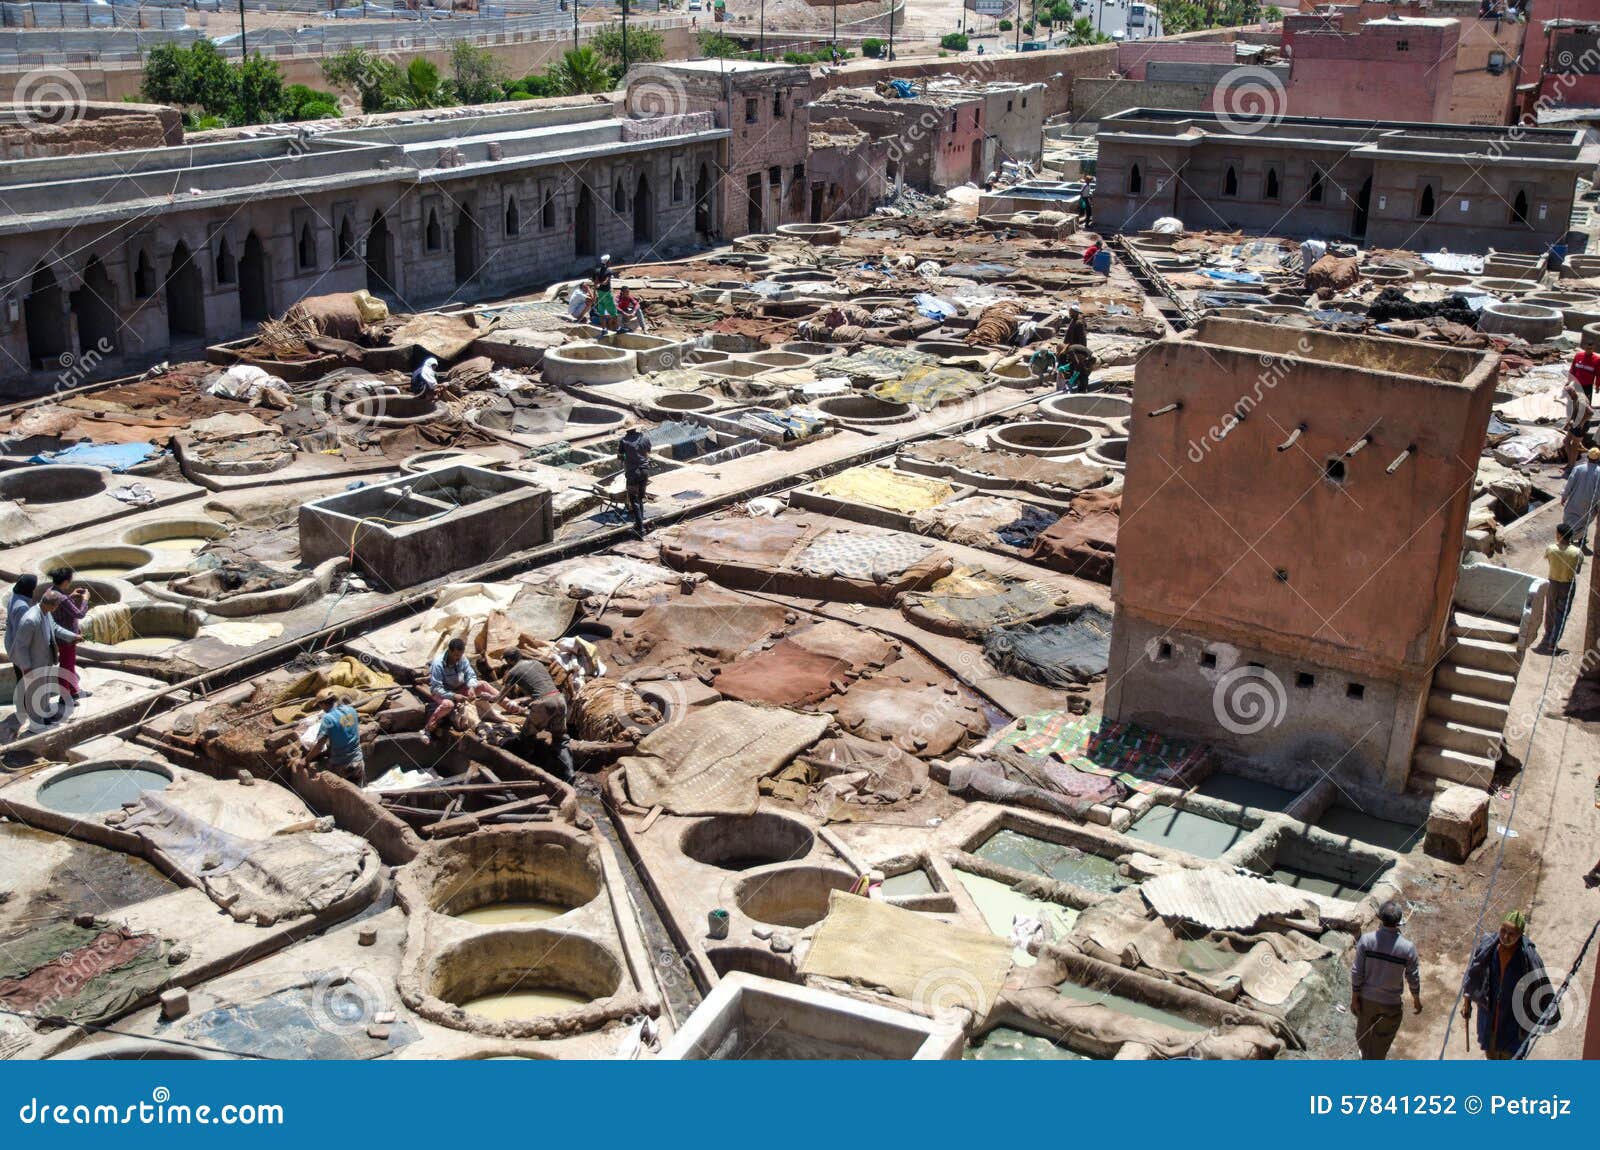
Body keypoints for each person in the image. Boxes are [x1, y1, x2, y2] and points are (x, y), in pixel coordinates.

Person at [1460, 909, 1557, 1059]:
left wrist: (1548, 1014)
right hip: (1490, 1021)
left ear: (1520, 935)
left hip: (1514, 1026)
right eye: (1503, 930)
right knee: (1491, 1056)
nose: (1505, 936)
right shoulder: (1489, 948)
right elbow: (1474, 973)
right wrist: (1467, 1002)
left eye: (1512, 933)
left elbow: (1541, 986)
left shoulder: (1528, 958)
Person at [1350, 899, 1423, 1060]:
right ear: (1399, 922)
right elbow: (1413, 977)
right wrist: (1416, 999)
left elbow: (1357, 972)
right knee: (1381, 1042)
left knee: (1362, 1036)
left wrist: (1355, 998)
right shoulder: (1407, 948)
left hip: (1366, 1001)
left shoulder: (1366, 941)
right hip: (1391, 1004)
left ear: (1380, 918)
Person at [425, 637, 518, 740]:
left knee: (483, 684)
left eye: (460, 655)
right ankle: (428, 729)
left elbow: (470, 674)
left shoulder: (461, 658)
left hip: (459, 688)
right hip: (442, 693)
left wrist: (471, 687)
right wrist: (454, 695)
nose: (458, 658)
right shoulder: (438, 664)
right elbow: (436, 687)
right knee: (448, 705)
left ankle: (512, 707)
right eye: (456, 655)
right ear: (449, 651)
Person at [11, 590, 77, 730]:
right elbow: (20, 647)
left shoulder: (46, 613)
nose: (57, 608)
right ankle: (36, 723)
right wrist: (27, 668)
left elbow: (55, 629)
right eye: (57, 605)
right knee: (34, 693)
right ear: (52, 605)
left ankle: (44, 716)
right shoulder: (30, 619)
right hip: (33, 664)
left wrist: (73, 636)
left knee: (45, 690)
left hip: (45, 659)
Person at [503, 650, 573, 779]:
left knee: (526, 736)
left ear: (509, 660)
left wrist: (488, 697)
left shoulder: (513, 671)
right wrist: (529, 700)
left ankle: (524, 771)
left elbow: (501, 696)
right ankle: (569, 773)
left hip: (544, 704)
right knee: (560, 739)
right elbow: (543, 687)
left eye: (506, 661)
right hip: (559, 699)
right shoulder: (536, 663)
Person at [1533, 522, 1583, 655]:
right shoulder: (1577, 552)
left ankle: (1548, 636)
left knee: (1550, 609)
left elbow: (1549, 561)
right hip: (1567, 585)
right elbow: (1577, 571)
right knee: (1562, 613)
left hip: (1552, 583)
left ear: (1560, 535)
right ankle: (1553, 642)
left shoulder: (1551, 549)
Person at [47, 567, 90, 700]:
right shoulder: (61, 598)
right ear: (66, 581)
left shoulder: (50, 591)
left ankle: (73, 691)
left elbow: (59, 605)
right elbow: (79, 614)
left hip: (61, 636)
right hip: (67, 637)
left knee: (69, 664)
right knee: (66, 666)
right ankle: (64, 697)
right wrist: (85, 599)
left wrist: (70, 596)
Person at [308, 691, 364, 782]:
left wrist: (306, 760)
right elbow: (346, 732)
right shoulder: (351, 710)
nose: (320, 708)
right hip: (358, 761)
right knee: (358, 791)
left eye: (319, 705)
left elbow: (319, 746)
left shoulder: (328, 718)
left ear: (322, 704)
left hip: (341, 765)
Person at [1561, 446, 1600, 553]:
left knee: (1570, 519)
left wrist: (1564, 496)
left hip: (1575, 500)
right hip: (1589, 503)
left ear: (1587, 457)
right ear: (1598, 459)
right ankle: (1581, 539)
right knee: (1584, 521)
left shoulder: (1578, 468)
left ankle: (1568, 539)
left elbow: (1569, 484)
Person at [618, 426, 651, 537]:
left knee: (634, 500)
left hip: (633, 474)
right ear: (635, 428)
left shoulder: (623, 441)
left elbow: (620, 456)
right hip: (645, 471)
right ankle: (639, 523)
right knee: (641, 498)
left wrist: (626, 460)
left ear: (627, 429)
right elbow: (648, 451)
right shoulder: (644, 438)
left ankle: (640, 529)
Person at [5, 573, 38, 666]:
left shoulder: (15, 596)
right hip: (18, 651)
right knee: (24, 678)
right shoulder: (22, 608)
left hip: (11, 643)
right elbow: (20, 635)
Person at [591, 254, 618, 330]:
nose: (610, 262)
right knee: (613, 312)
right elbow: (606, 282)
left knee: (601, 312)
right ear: (608, 262)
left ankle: (604, 329)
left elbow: (594, 282)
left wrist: (594, 292)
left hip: (599, 293)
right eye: (610, 260)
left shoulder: (596, 271)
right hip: (606, 294)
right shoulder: (609, 271)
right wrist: (602, 283)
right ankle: (618, 328)